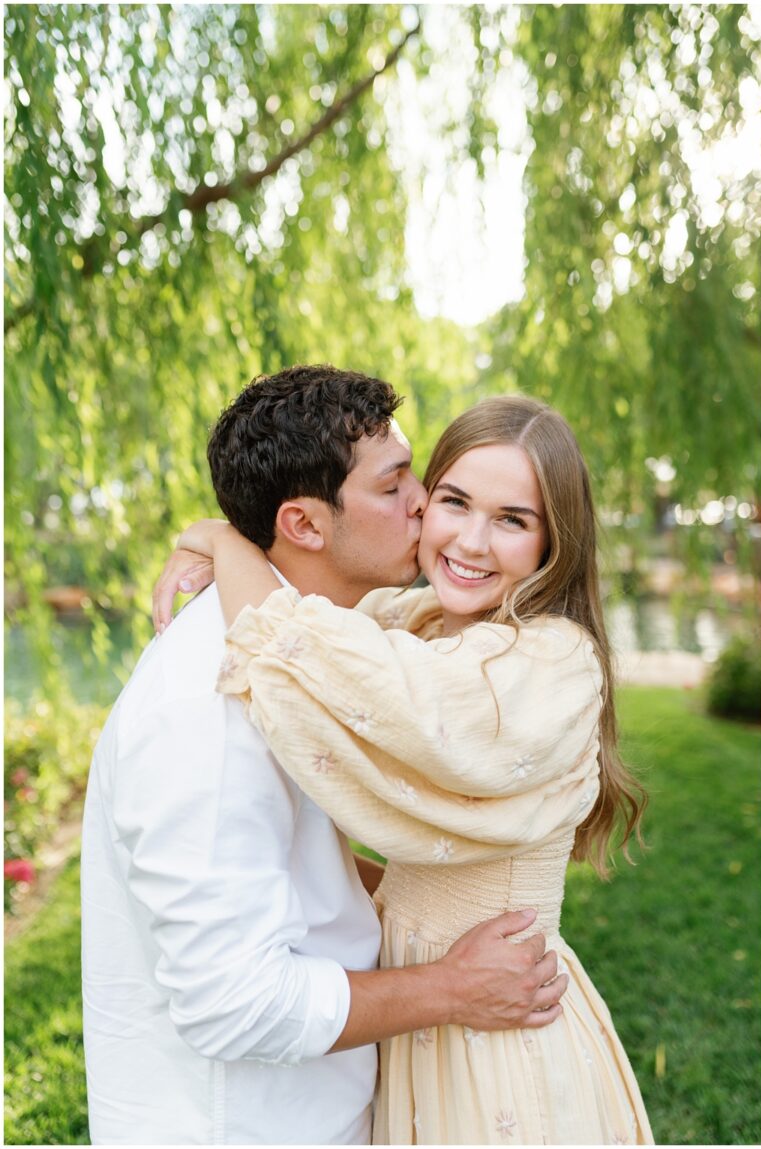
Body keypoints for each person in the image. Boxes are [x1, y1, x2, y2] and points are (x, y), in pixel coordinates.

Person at [81, 366, 567, 1145]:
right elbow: (231, 1001)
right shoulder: (204, 711)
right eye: (395, 485)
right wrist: (452, 987)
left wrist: (214, 535)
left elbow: (294, 876)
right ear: (305, 526)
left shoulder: (305, 657)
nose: (426, 503)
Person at [157, 393, 652, 1145]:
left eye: (513, 520)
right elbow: (326, 618)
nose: (472, 541)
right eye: (454, 501)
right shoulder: (412, 621)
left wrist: (228, 545)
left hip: (500, 1036)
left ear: (556, 541)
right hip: (430, 1010)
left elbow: (339, 667)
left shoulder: (550, 659)